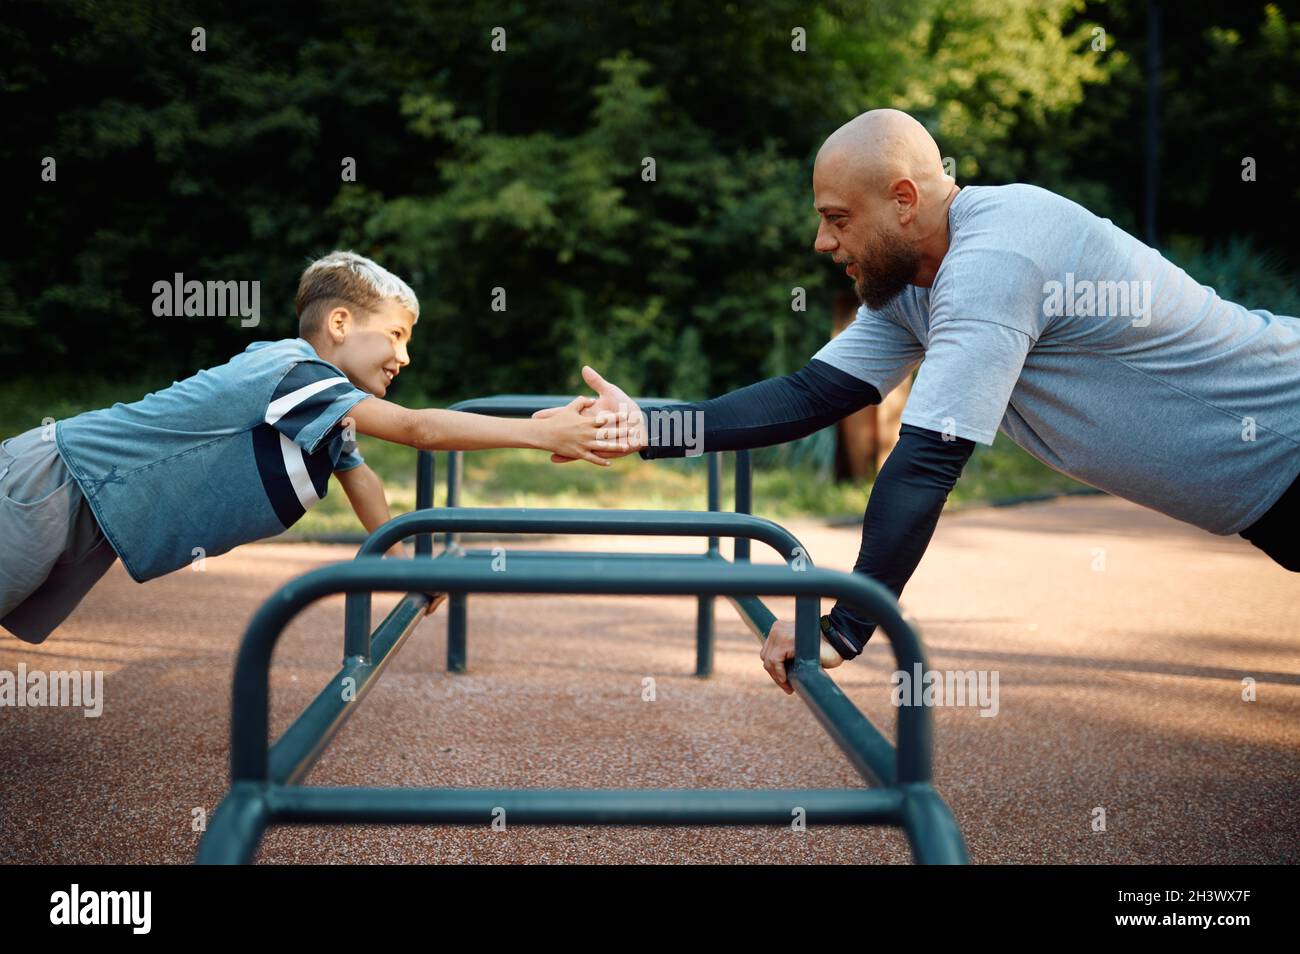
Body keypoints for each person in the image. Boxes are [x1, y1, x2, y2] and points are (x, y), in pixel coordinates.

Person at [541, 108, 1300, 694]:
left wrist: (843, 628)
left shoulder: (997, 256)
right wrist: (651, 427)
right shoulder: (912, 286)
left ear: (903, 200)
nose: (821, 243)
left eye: (837, 218)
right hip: (1266, 493)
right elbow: (808, 397)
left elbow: (928, 459)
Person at [0, 251, 615, 644]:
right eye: (396, 335)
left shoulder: (323, 405)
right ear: (341, 324)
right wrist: (540, 432)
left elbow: (361, 478)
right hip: (57, 480)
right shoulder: (290, 370)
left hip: (88, 507)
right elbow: (416, 430)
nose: (404, 356)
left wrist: (407, 570)